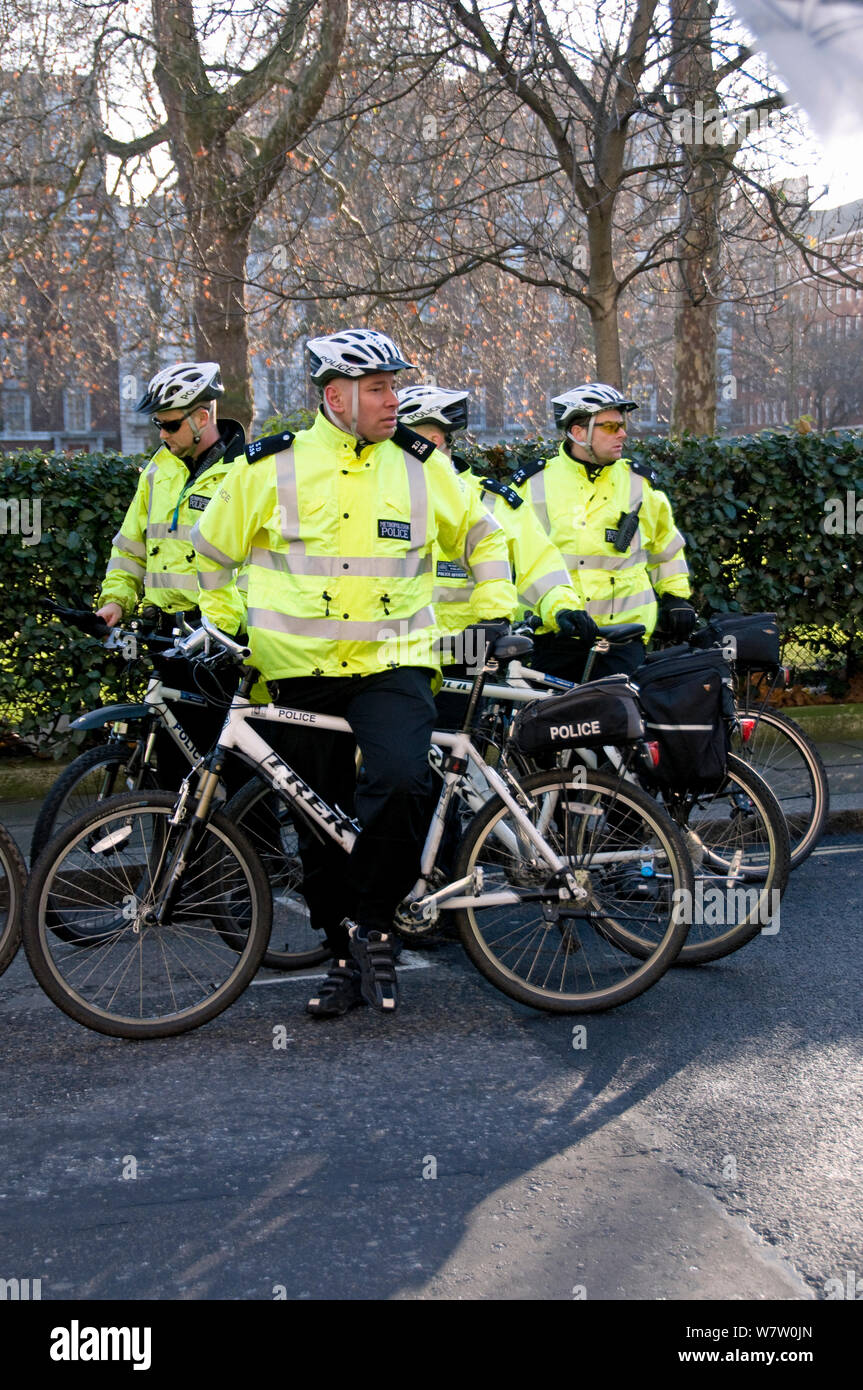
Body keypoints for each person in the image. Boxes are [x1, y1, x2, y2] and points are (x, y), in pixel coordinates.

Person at [191, 329, 517, 1018]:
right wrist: (230, 629)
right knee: (318, 821)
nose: (393, 400)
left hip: (392, 664)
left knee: (399, 780)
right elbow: (211, 552)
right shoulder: (268, 467)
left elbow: (483, 535)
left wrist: (492, 610)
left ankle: (374, 925)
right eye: (378, 389)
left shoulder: (422, 465)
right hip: (299, 670)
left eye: (395, 386)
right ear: (335, 396)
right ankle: (344, 958)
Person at [394, 383, 587, 726]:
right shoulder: (385, 497)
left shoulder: (492, 502)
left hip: (467, 650)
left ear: (433, 443)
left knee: (448, 759)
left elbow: (540, 565)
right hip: (397, 650)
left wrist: (563, 608)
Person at [95, 362, 247, 785]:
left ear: (202, 417)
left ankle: (257, 853)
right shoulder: (158, 469)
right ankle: (176, 851)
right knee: (174, 769)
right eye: (158, 424)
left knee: (232, 768)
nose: (162, 434)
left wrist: (233, 626)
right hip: (166, 635)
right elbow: (130, 545)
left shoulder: (245, 473)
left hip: (219, 642)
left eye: (170, 424)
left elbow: (260, 563)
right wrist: (115, 600)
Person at [511, 383, 697, 680]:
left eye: (622, 425)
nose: (622, 434)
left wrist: (675, 596)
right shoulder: (532, 486)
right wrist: (558, 611)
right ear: (579, 432)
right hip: (554, 636)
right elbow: (520, 561)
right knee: (550, 724)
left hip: (623, 638)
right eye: (610, 426)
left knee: (623, 725)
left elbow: (666, 547)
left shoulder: (639, 484)